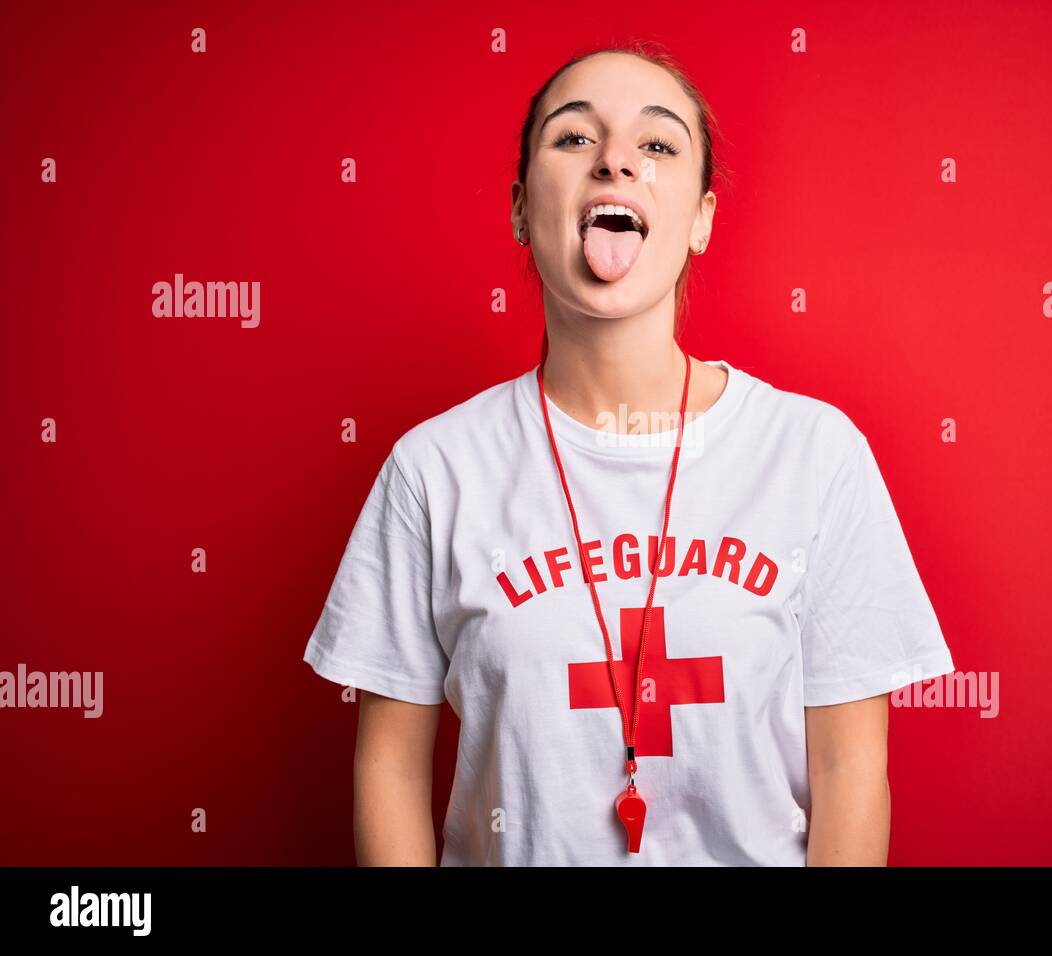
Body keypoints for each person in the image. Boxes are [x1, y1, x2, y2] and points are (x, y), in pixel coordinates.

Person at [302, 41, 955, 866]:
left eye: (657, 144)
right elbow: (391, 769)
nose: (615, 161)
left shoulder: (816, 454)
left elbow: (850, 766)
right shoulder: (433, 471)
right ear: (518, 208)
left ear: (703, 218)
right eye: (574, 139)